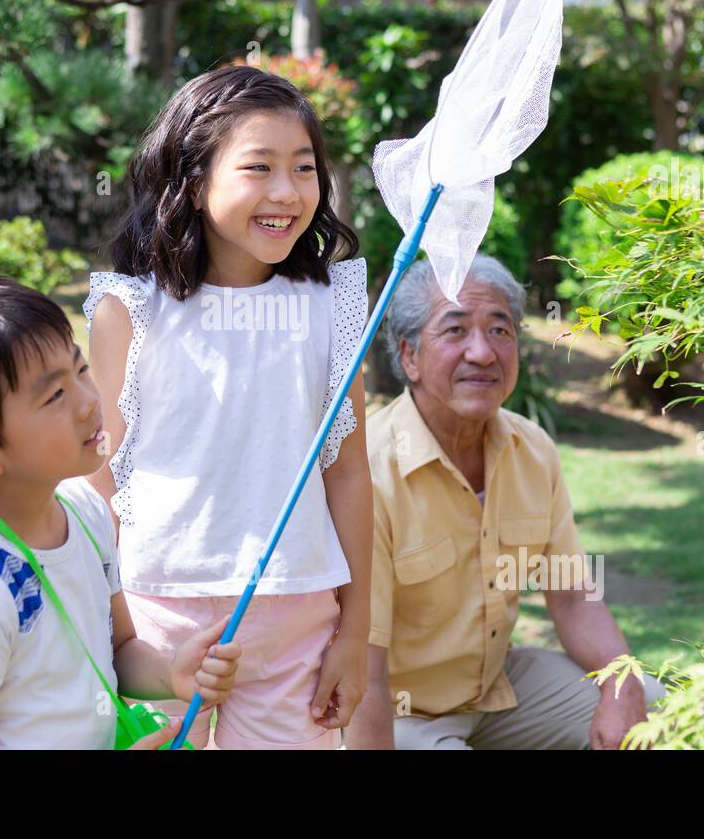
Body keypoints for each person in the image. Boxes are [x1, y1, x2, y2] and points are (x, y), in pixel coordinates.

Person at [84, 63, 373, 749]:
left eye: (305, 169)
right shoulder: (128, 311)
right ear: (191, 181)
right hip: (155, 618)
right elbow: (97, 479)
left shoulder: (331, 309)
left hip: (298, 620)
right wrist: (101, 624)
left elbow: (351, 474)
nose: (287, 192)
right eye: (259, 167)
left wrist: (355, 634)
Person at [0, 273, 241, 749]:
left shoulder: (83, 509)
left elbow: (118, 651)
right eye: (54, 396)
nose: (90, 402)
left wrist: (173, 672)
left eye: (81, 368)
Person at [348, 255, 664, 750]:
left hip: (499, 689)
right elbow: (361, 661)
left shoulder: (532, 449)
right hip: (398, 709)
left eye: (500, 330)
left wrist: (621, 687)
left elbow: (573, 595)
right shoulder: (369, 470)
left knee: (655, 710)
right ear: (408, 355)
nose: (482, 352)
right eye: (455, 331)